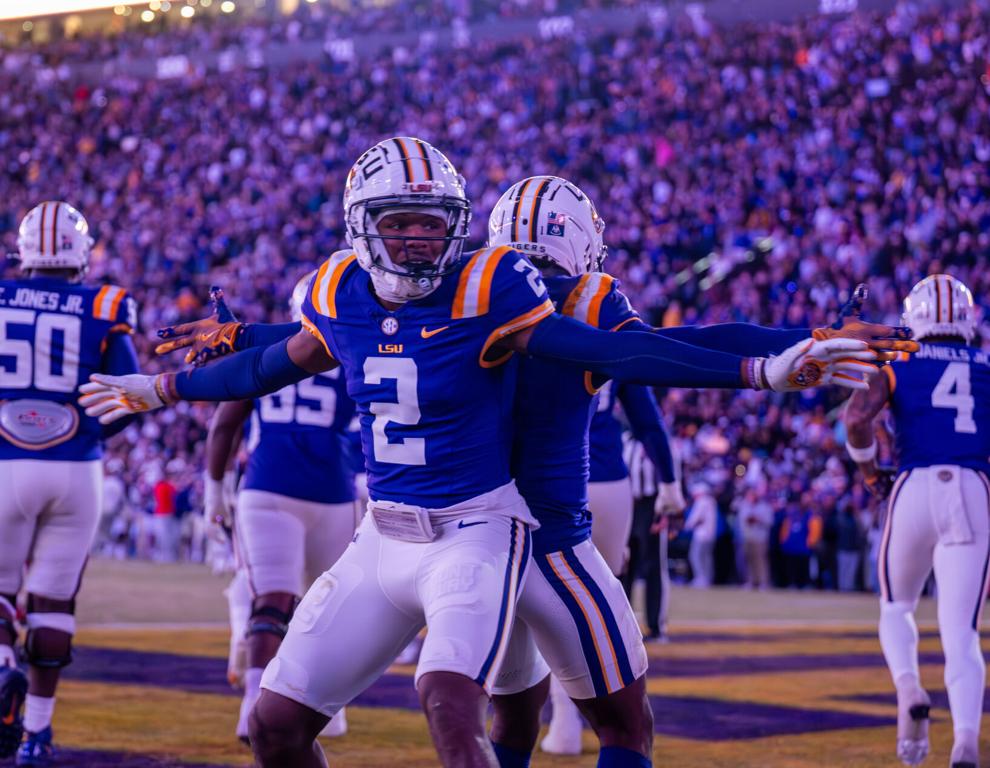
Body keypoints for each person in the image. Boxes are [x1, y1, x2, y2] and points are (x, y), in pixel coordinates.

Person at [79, 138, 893, 768]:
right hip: (494, 534)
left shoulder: (483, 285)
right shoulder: (482, 291)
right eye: (401, 225)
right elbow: (330, 344)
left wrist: (774, 357)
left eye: (430, 227)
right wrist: (772, 360)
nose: (417, 242)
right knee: (588, 716)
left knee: (508, 707)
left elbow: (636, 350)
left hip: (493, 531)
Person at [0, 201, 140, 766]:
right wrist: (82, 428)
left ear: (26, 251)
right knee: (56, 603)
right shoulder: (104, 303)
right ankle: (37, 732)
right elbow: (128, 394)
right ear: (81, 254)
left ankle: (3, 673)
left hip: (6, 460)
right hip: (77, 465)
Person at [203, 272, 359, 742]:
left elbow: (225, 423)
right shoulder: (355, 348)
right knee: (330, 607)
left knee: (271, 601)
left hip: (269, 487)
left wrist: (215, 487)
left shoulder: (269, 351)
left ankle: (256, 702)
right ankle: (321, 705)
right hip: (334, 490)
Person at [844, 274, 989, 768]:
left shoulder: (900, 362)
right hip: (972, 488)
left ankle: (909, 689)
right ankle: (966, 742)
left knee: (896, 606)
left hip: (912, 486)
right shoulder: (986, 366)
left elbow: (856, 420)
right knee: (962, 634)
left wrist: (869, 474)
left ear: (918, 317)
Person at [684, 483, 717, 587]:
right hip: (710, 535)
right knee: (706, 558)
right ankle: (707, 578)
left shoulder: (702, 502)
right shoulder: (711, 501)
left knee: (695, 556)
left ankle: (700, 578)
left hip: (701, 535)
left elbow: (696, 518)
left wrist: (687, 526)